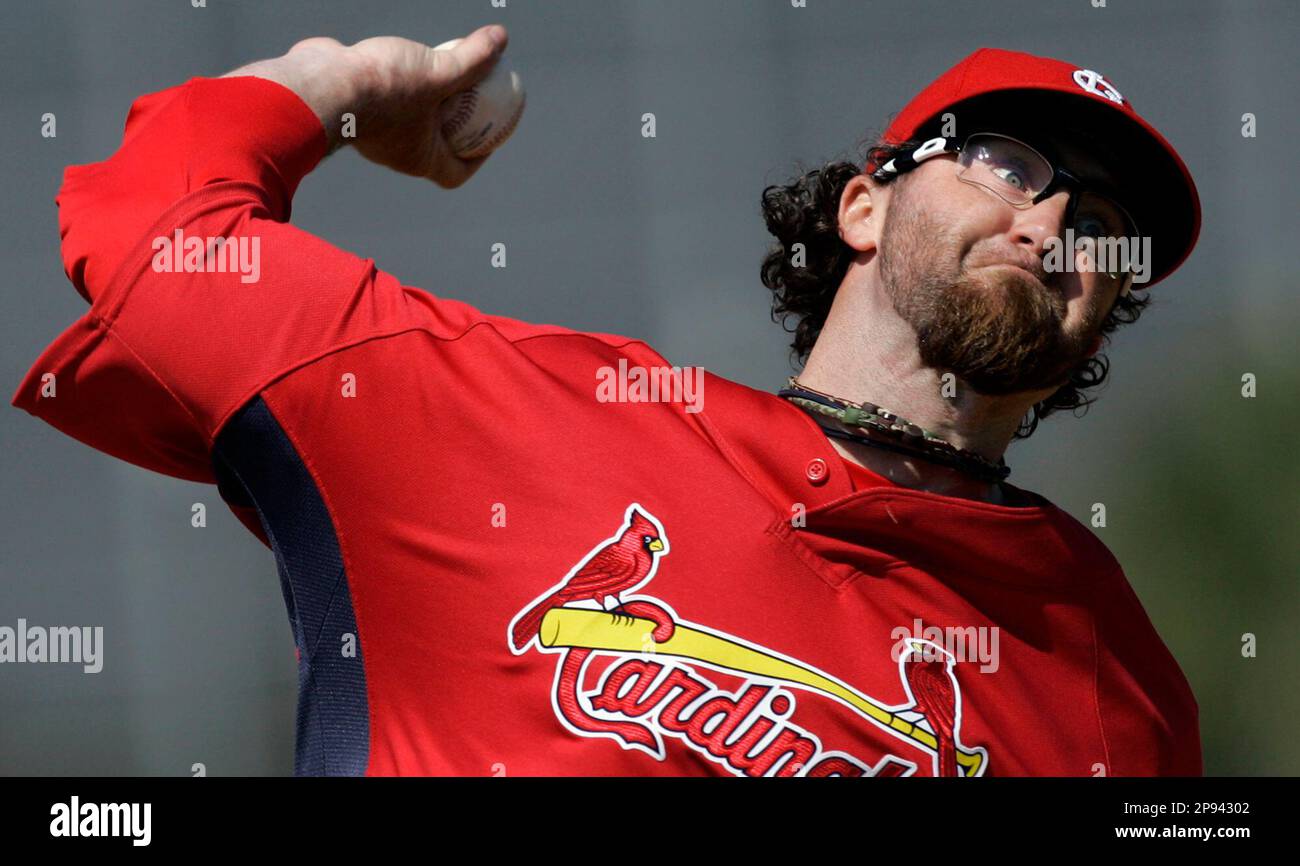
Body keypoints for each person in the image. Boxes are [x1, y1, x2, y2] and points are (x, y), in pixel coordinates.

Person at [12, 26, 1201, 776]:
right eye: (1004, 163)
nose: (1050, 223)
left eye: (1099, 224)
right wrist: (337, 83)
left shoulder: (1109, 677)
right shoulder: (505, 417)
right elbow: (156, 232)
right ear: (864, 208)